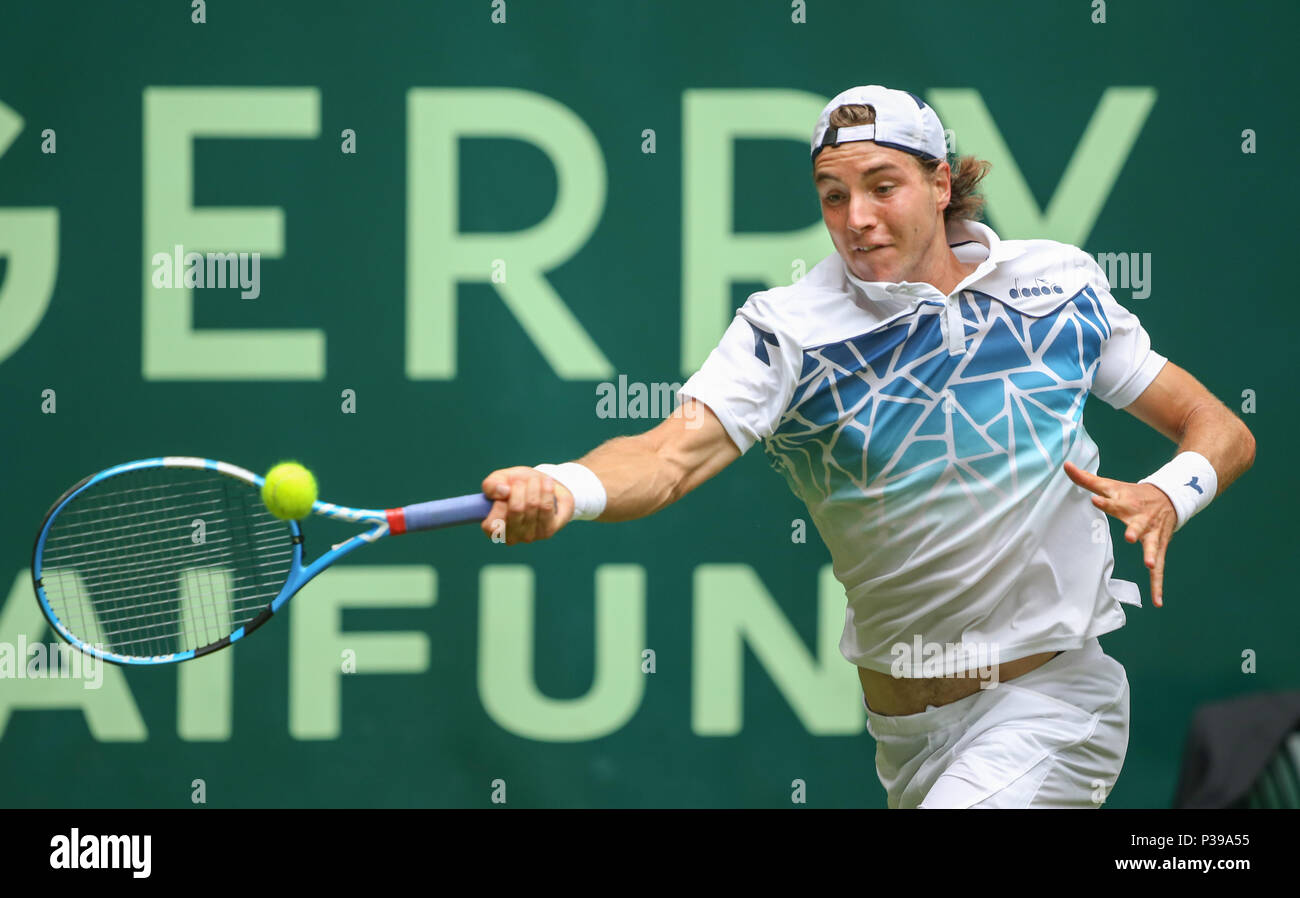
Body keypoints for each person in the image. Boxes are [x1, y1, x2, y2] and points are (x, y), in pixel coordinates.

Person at [478, 85, 1256, 808]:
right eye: (834, 197)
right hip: (905, 736)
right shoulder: (789, 331)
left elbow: (1220, 428)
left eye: (884, 186)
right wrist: (564, 487)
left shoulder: (1057, 288)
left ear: (941, 184)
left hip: (1052, 703)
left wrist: (1169, 492)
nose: (857, 217)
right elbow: (666, 456)